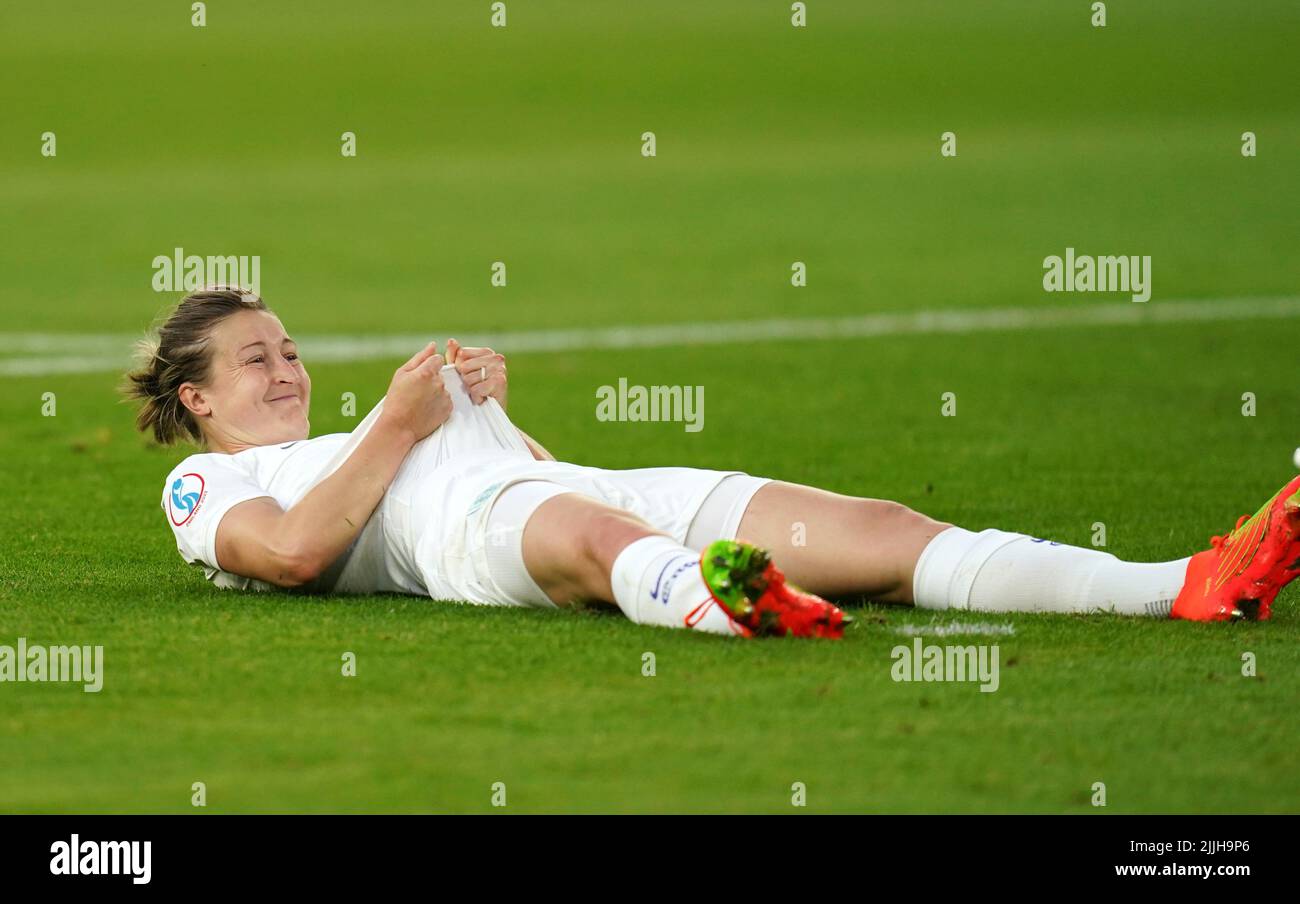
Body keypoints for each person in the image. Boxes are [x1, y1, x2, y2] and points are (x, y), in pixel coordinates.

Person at [124, 288, 1300, 638]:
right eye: (255, 360)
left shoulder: (355, 434)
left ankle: (1182, 583)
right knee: (596, 543)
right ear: (197, 398)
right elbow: (294, 554)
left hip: (567, 484)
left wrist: (489, 415)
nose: (286, 369)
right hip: (467, 539)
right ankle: (734, 605)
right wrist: (400, 419)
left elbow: (535, 472)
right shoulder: (207, 485)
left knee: (882, 528)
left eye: (289, 349)